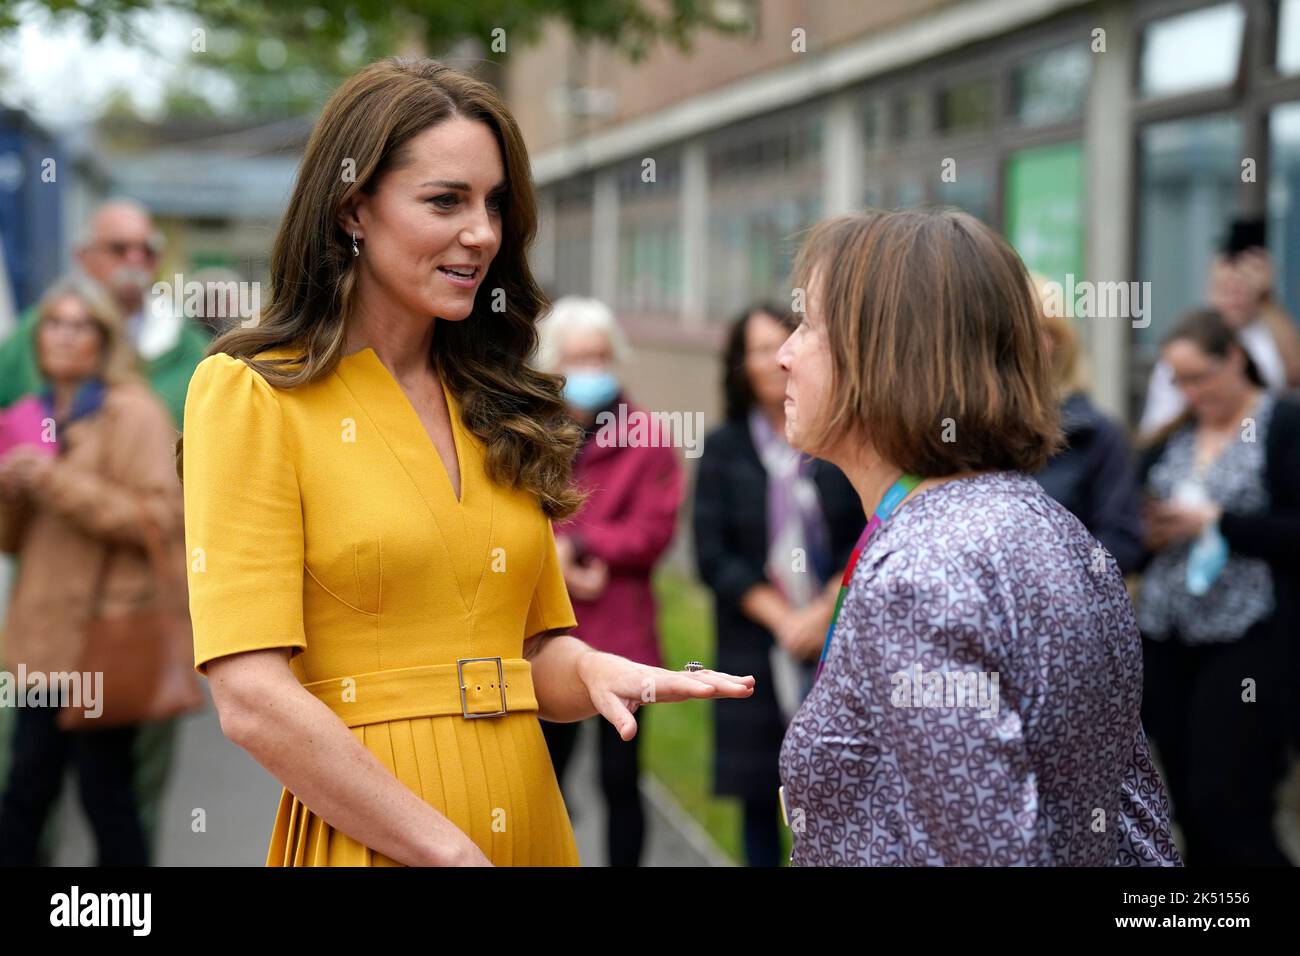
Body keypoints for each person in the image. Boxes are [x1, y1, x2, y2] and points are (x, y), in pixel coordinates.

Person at [180, 57, 753, 867]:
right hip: (382, 841)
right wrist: (444, 852)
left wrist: (592, 669)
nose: (482, 232)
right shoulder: (249, 394)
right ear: (353, 208)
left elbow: (531, 656)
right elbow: (251, 698)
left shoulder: (497, 403)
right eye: (445, 200)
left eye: (494, 204)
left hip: (527, 825)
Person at [775, 208, 1180, 866]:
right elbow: (1129, 822)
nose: (782, 354)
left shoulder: (918, 574)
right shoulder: (1049, 527)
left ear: (888, 356)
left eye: (808, 326)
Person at [0, 200, 209, 864]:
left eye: (80, 326)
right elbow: (15, 540)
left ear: (102, 339)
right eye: (53, 325)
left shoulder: (136, 410)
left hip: (111, 631)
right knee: (25, 792)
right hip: (40, 633)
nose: (63, 336)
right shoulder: (31, 411)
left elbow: (160, 515)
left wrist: (56, 483)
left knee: (109, 795)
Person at [693, 303, 864, 867]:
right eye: (758, 349)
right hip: (755, 648)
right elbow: (713, 556)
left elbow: (868, 533)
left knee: (838, 794)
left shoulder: (834, 442)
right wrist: (785, 620)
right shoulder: (724, 449)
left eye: (782, 343)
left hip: (834, 641)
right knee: (759, 802)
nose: (774, 360)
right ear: (740, 365)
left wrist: (821, 615)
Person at [1135, 308, 1299, 866]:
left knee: (1227, 796)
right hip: (1169, 631)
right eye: (1178, 381)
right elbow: (1131, 525)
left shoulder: (1282, 424)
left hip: (1248, 634)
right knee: (1183, 798)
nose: (1191, 391)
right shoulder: (1173, 436)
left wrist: (1217, 522)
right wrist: (1152, 531)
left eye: (1199, 376)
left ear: (1234, 358)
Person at [532, 296, 684, 867]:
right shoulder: (534, 430)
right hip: (546, 634)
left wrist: (584, 546)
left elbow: (655, 528)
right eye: (577, 358)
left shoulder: (646, 434)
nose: (590, 369)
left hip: (622, 631)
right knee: (544, 777)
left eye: (599, 356)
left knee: (621, 780)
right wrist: (556, 553)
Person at [1139, 224, 1300, 435]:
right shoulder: (1186, 347)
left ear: (1237, 358)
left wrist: (1266, 299)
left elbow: (1295, 373)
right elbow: (1157, 427)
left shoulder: (1265, 337)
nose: (1233, 298)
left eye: (1242, 289)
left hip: (1256, 440)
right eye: (1225, 288)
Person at [1030, 276, 1144, 574]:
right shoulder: (974, 427)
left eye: (1039, 332)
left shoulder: (1095, 434)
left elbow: (1121, 541)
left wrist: (1057, 577)